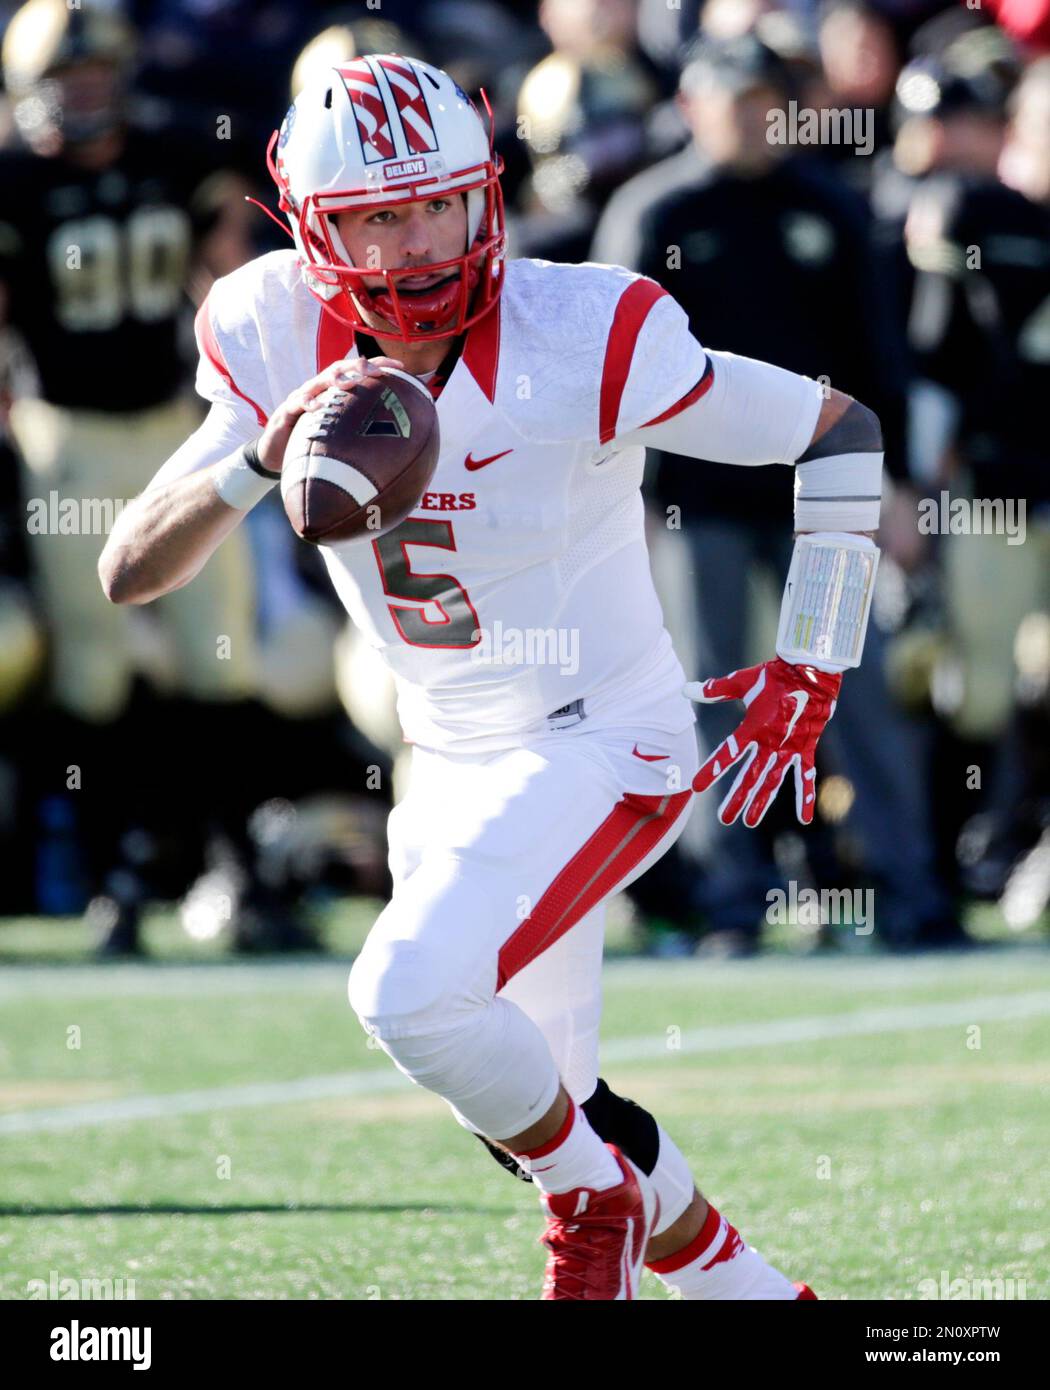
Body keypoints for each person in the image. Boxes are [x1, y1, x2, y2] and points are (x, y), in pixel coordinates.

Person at [98, 54, 884, 1300]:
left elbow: (836, 431)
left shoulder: (586, 331)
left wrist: (815, 657)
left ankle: (590, 1207)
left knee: (409, 997)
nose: (417, 241)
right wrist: (260, 452)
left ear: (487, 193)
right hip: (447, 755)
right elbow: (128, 569)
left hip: (604, 736)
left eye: (437, 203)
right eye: (377, 213)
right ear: (313, 228)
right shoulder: (268, 323)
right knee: (541, 1101)